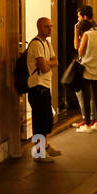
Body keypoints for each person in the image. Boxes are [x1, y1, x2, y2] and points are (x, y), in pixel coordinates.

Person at [25, 18, 60, 161]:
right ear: (39, 27)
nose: (50, 29)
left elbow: (55, 62)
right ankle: (39, 153)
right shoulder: (36, 44)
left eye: (51, 26)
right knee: (39, 121)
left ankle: (44, 146)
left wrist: (48, 63)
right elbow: (44, 67)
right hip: (37, 87)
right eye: (47, 27)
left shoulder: (47, 43)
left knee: (46, 118)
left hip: (45, 85)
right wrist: (47, 63)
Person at [77, 15, 97, 131]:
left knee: (86, 97)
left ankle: (87, 125)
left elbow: (80, 52)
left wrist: (79, 37)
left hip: (86, 70)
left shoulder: (86, 35)